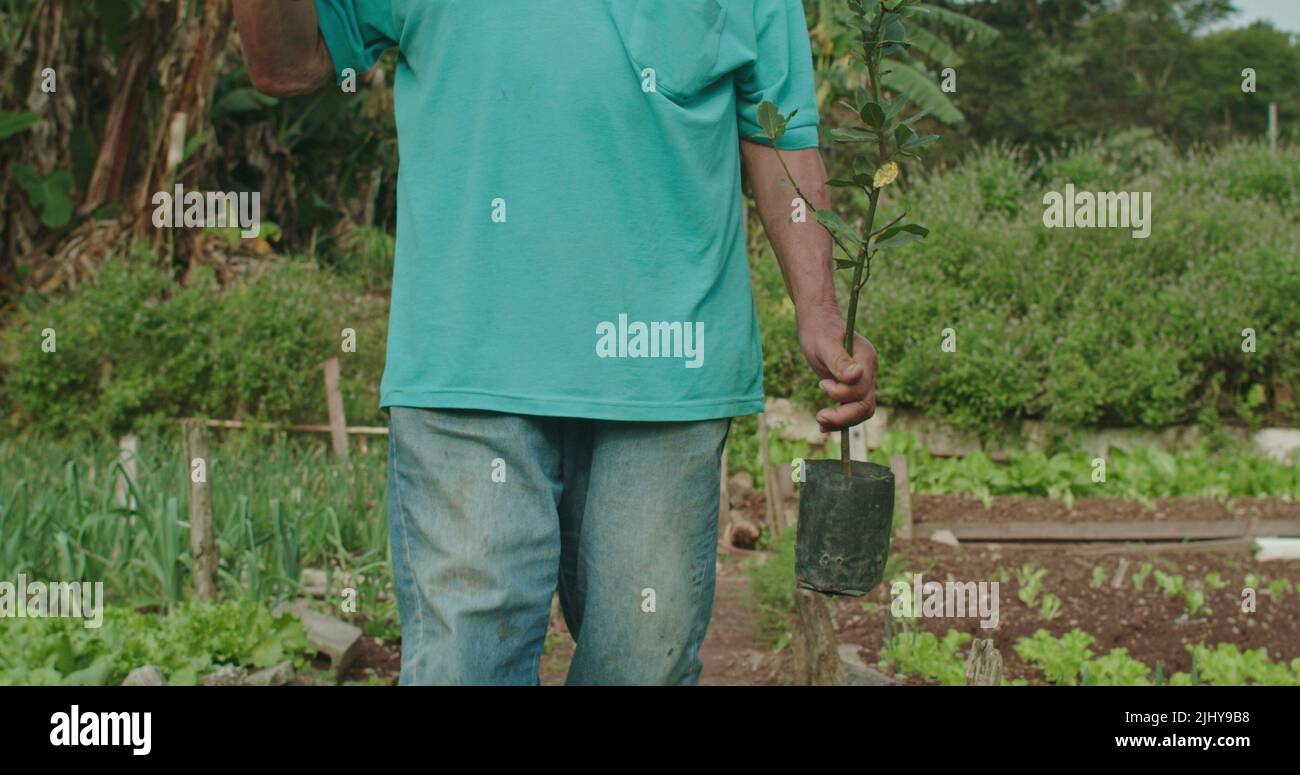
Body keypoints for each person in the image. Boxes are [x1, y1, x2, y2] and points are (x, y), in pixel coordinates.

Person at [233, 0, 877, 685]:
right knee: (465, 665)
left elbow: (779, 135)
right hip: (469, 367)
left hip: (664, 372)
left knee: (641, 667)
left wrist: (819, 307)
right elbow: (286, 64)